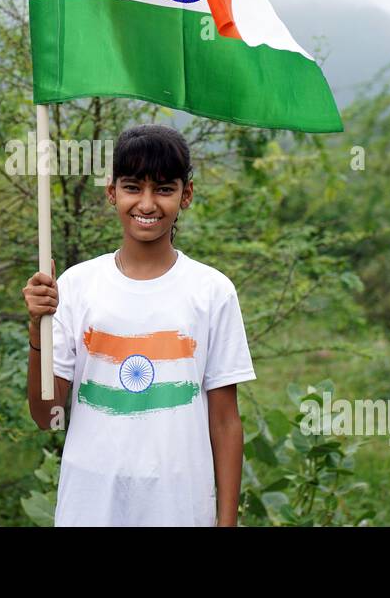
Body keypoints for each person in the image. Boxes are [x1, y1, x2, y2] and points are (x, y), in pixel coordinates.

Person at [22, 123, 256, 526]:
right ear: (112, 192)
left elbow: (225, 421)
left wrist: (227, 521)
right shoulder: (76, 286)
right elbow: (47, 416)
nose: (147, 204)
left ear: (187, 195)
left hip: (180, 506)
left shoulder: (213, 291)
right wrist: (36, 333)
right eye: (133, 187)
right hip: (90, 506)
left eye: (164, 189)